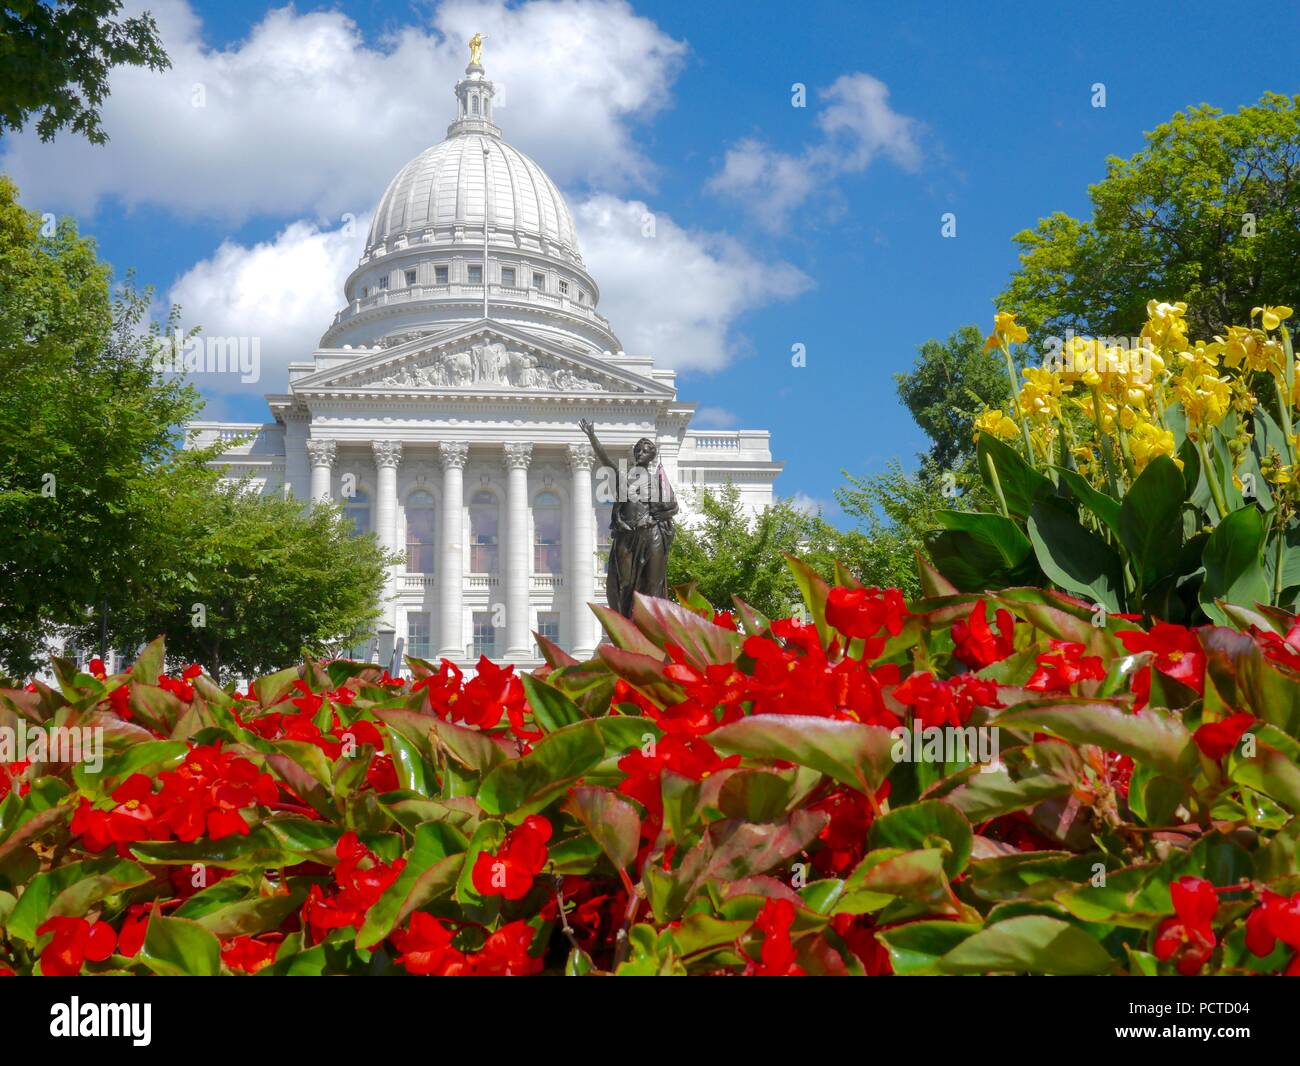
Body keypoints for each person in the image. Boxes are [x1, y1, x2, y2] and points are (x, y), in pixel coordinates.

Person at [578, 419, 677, 617]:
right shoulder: (623, 478)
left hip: (652, 534)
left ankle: (654, 627)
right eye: (638, 449)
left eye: (645, 450)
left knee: (653, 583)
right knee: (624, 583)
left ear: (652, 456)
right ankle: (627, 623)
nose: (640, 452)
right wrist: (592, 437)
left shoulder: (658, 482)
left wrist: (653, 517)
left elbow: (673, 507)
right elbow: (606, 460)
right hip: (628, 535)